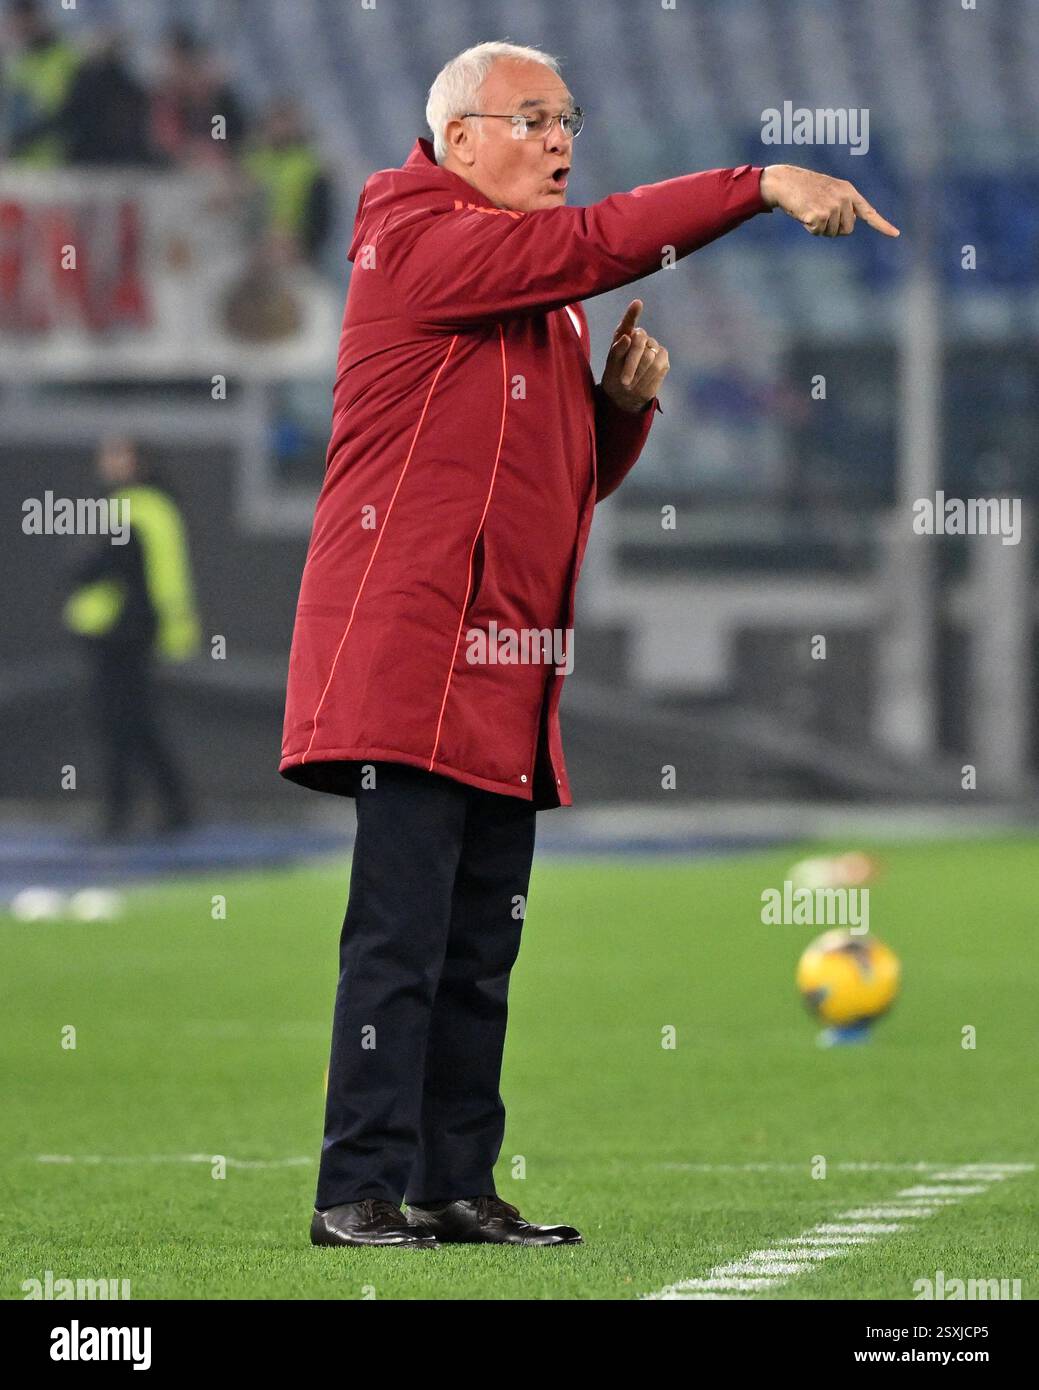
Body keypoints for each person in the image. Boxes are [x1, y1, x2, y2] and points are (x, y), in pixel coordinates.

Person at [279, 41, 899, 1249]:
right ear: (461, 141)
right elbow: (598, 239)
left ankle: (451, 1184)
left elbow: (562, 489)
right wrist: (758, 182)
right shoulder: (415, 237)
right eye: (534, 118)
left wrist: (617, 416)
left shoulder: (536, 297)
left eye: (570, 118)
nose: (562, 140)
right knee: (400, 939)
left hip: (501, 674)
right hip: (407, 656)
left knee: (475, 952)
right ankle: (352, 1190)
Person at [64, 438, 200, 838]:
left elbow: (105, 568)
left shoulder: (131, 509)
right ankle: (172, 807)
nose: (106, 461)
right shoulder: (152, 507)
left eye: (117, 454)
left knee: (121, 725)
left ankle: (121, 814)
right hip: (133, 633)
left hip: (123, 636)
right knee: (135, 724)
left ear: (137, 461)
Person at [1, 0, 81, 165]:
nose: (20, 26)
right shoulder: (16, 61)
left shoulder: (64, 58)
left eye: (25, 19)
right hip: (16, 164)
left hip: (52, 164)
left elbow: (59, 115)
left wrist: (16, 141)